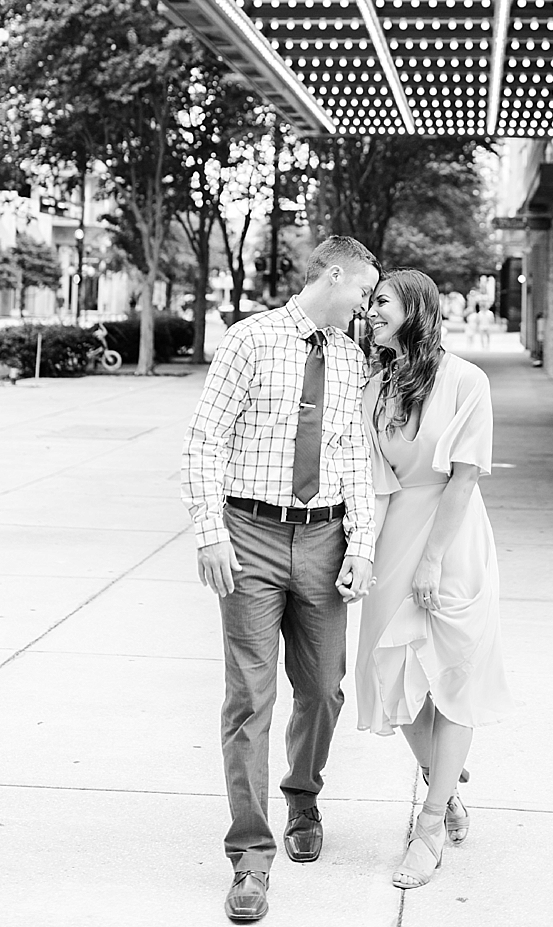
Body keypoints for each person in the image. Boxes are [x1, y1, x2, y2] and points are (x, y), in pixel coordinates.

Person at [181, 236, 381, 925]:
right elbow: (205, 439)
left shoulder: (352, 358)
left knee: (324, 687)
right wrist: (210, 532)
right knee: (249, 698)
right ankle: (249, 860)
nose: (365, 305)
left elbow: (353, 453)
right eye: (363, 290)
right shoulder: (249, 340)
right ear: (334, 274)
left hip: (326, 539)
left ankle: (302, 793)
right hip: (251, 537)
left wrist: (363, 546)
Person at [353, 269, 513, 890]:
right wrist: (363, 554)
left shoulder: (467, 381)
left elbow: (466, 476)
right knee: (387, 670)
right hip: (395, 532)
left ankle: (427, 828)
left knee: (454, 676)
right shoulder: (375, 387)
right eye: (368, 304)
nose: (370, 313)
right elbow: (373, 481)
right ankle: (444, 786)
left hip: (454, 538)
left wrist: (431, 559)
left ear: (414, 309)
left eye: (381, 303)